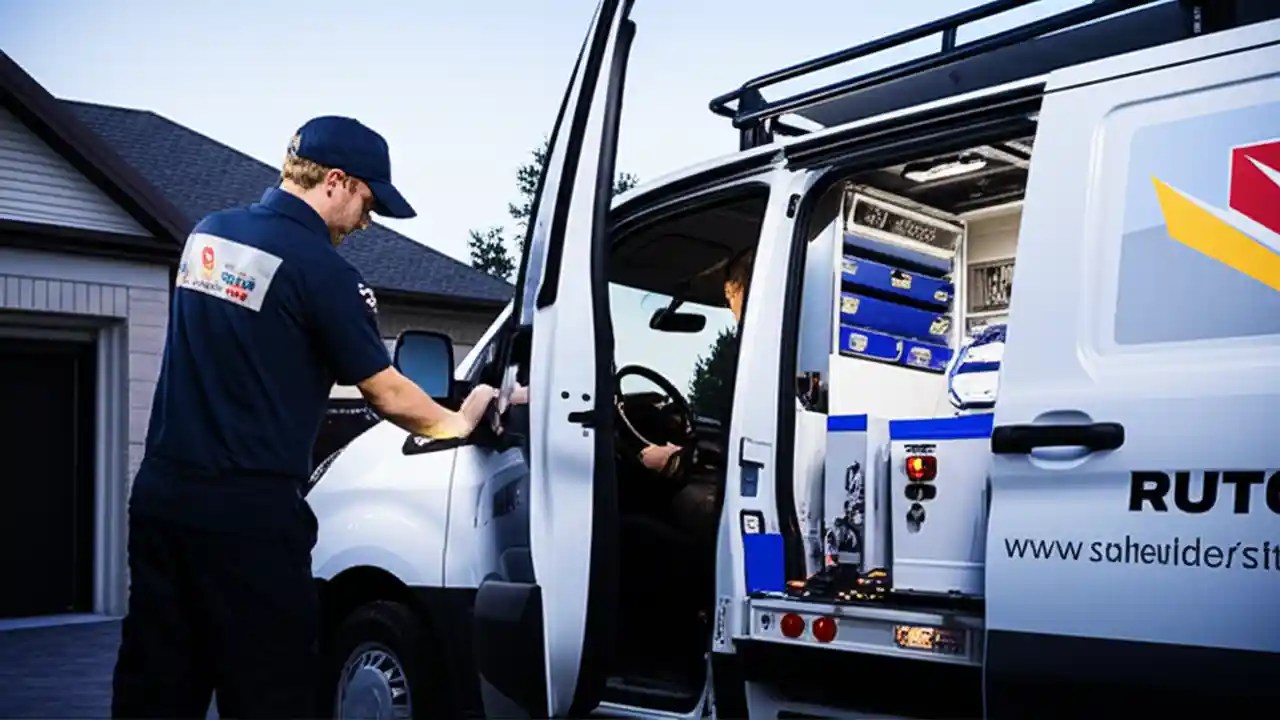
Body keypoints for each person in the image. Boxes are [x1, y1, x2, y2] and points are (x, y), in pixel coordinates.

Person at [110, 116, 497, 720]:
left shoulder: (208, 238)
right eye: (368, 203)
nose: (366, 222)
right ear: (336, 182)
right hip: (249, 517)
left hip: (163, 501)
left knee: (157, 689)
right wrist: (463, 421)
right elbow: (390, 395)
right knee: (271, 692)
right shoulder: (324, 270)